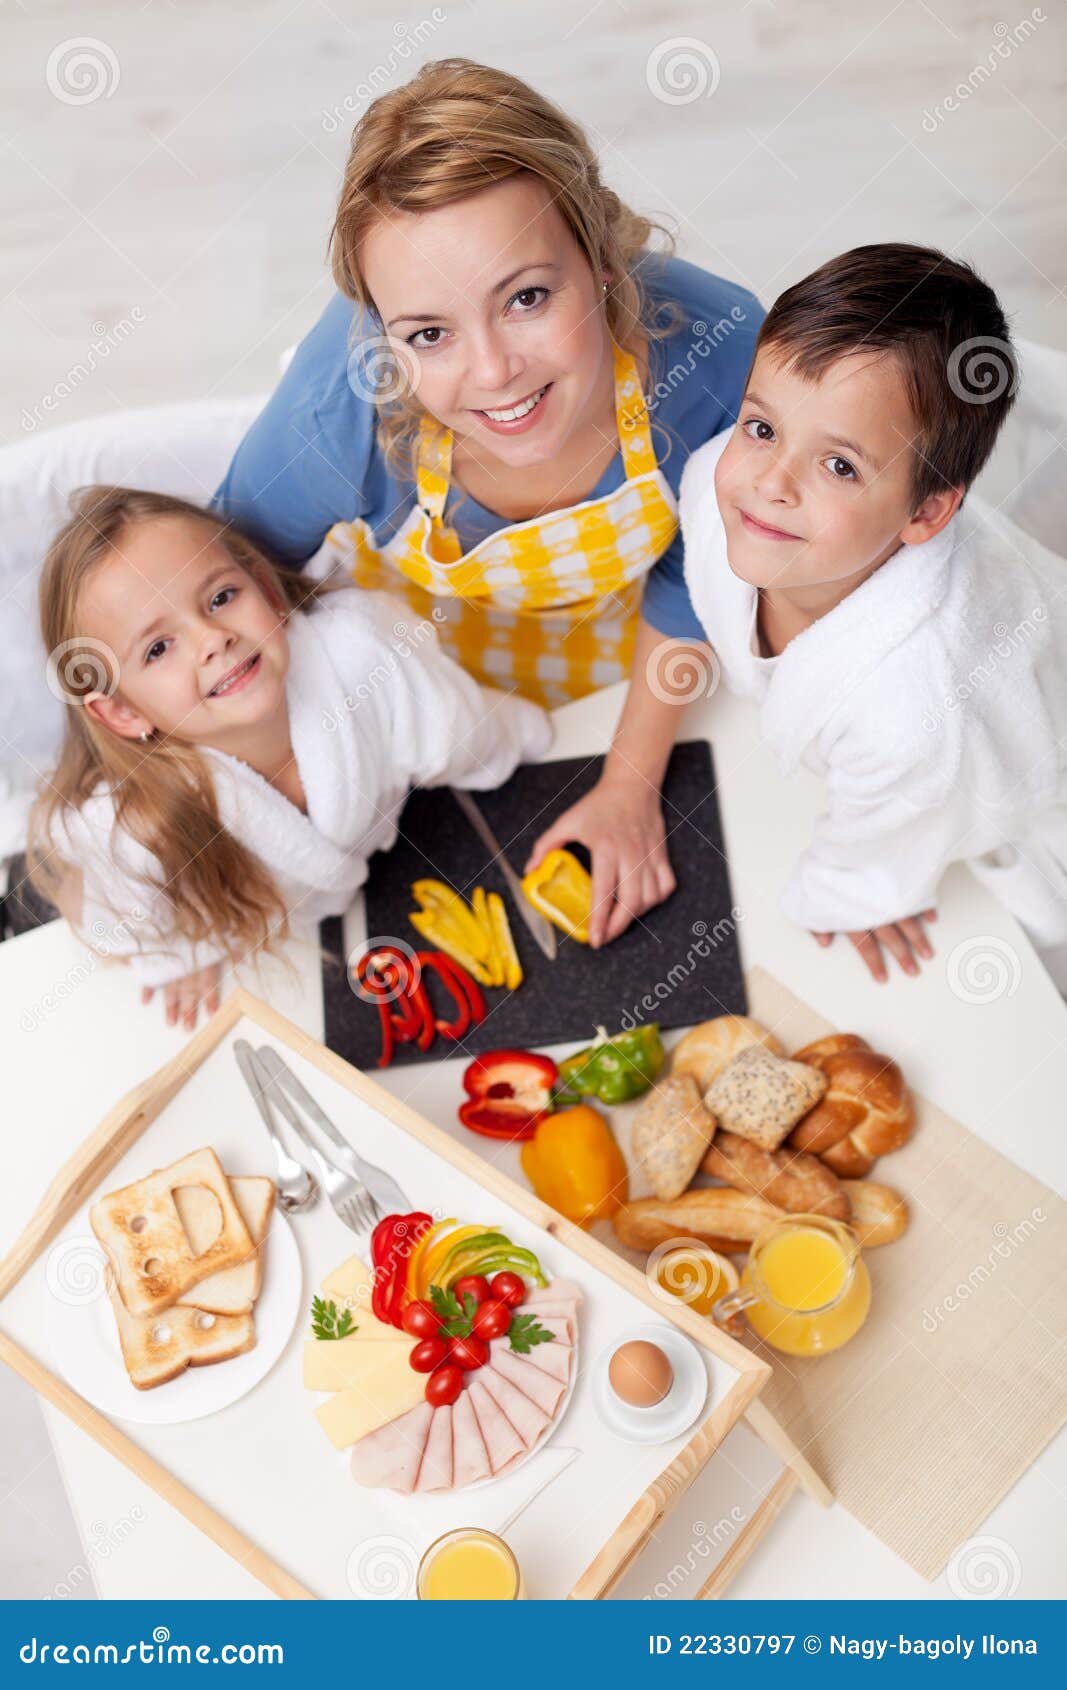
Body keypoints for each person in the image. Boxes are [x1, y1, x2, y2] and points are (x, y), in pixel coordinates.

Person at [214, 58, 762, 947]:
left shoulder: (719, 351)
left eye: (528, 297)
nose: (495, 374)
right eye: (429, 334)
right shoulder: (337, 412)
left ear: (601, 254)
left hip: (638, 659)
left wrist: (628, 781)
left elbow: (697, 564)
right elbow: (226, 594)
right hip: (414, 676)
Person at [680, 242, 1067, 986]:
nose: (770, 482)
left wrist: (840, 896)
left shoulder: (911, 704)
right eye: (761, 428)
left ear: (925, 513)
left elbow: (883, 843)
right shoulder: (710, 489)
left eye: (838, 465)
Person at [26, 486, 550, 1028]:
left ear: (268, 590)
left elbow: (465, 730)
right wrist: (183, 955)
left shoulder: (363, 655)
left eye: (222, 597)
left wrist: (539, 745)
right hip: (288, 947)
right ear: (124, 712)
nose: (213, 638)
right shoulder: (134, 830)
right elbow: (116, 925)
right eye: (158, 649)